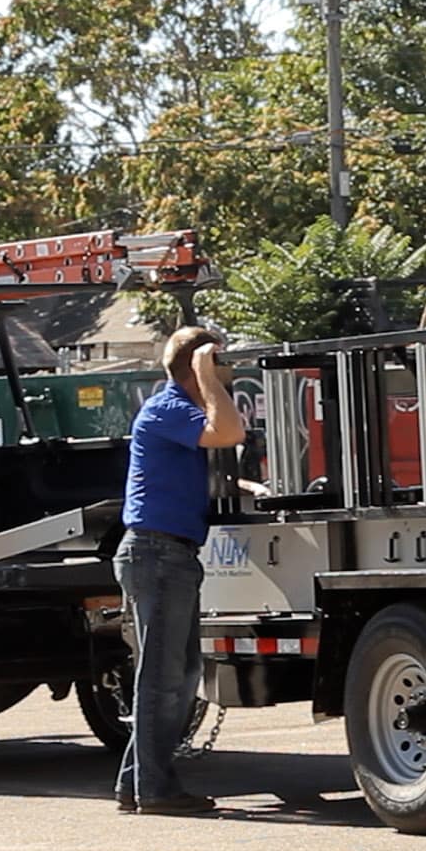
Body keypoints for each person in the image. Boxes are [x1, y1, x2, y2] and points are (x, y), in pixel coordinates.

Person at [113, 326, 245, 815]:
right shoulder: (168, 407)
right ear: (198, 366)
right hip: (157, 553)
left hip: (168, 554)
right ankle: (156, 789)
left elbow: (196, 461)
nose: (228, 373)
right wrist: (206, 372)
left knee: (180, 675)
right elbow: (230, 432)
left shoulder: (177, 413)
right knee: (163, 678)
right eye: (221, 362)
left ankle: (135, 782)